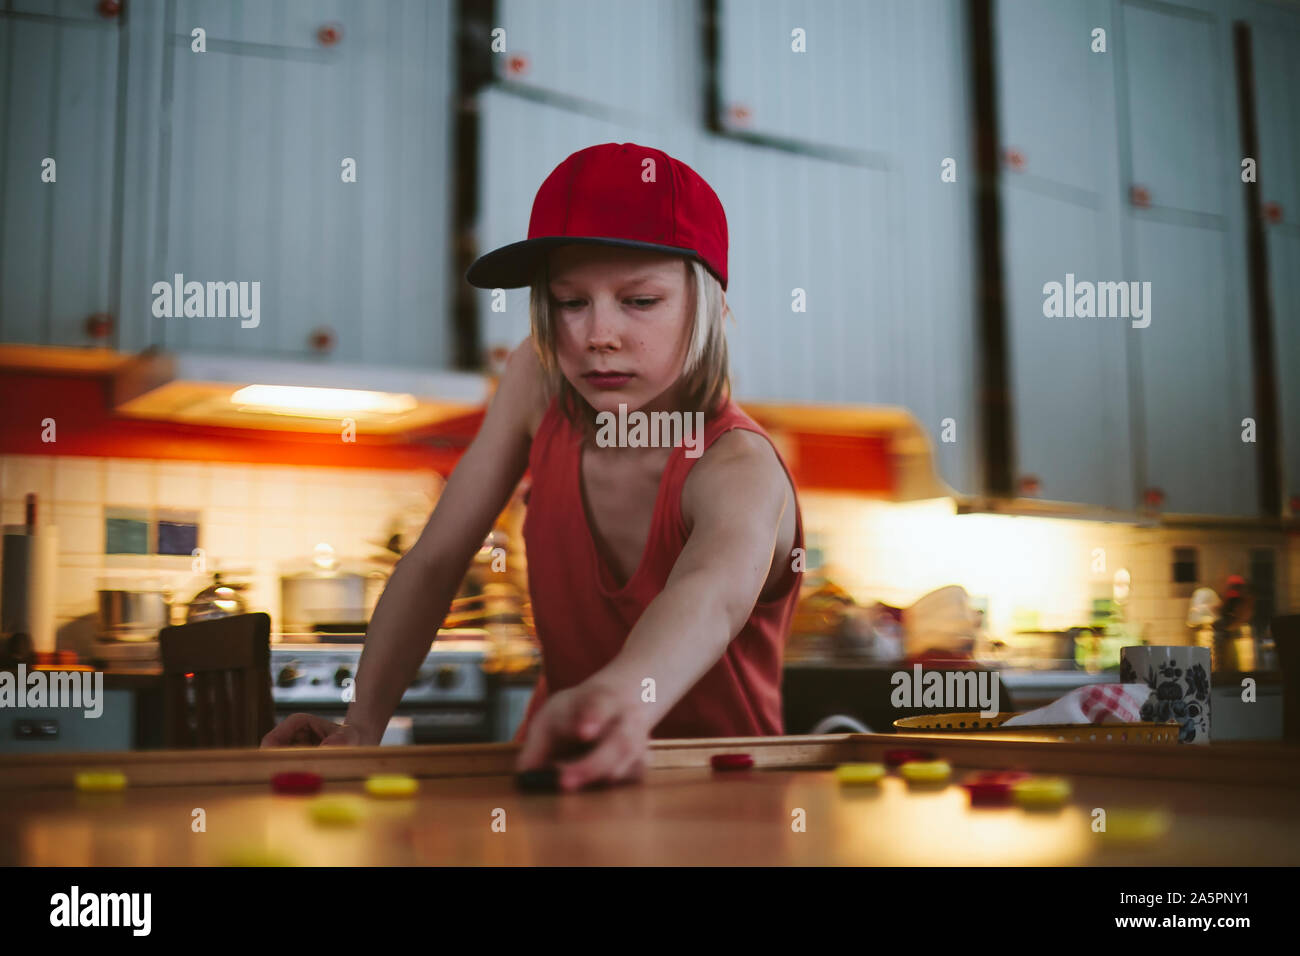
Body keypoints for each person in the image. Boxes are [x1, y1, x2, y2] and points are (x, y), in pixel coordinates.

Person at [262, 143, 804, 790]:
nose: (595, 334)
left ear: (711, 308)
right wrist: (362, 723)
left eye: (639, 302)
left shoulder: (738, 465)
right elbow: (436, 560)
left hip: (718, 803)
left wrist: (617, 706)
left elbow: (710, 600)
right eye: (569, 302)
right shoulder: (536, 383)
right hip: (553, 781)